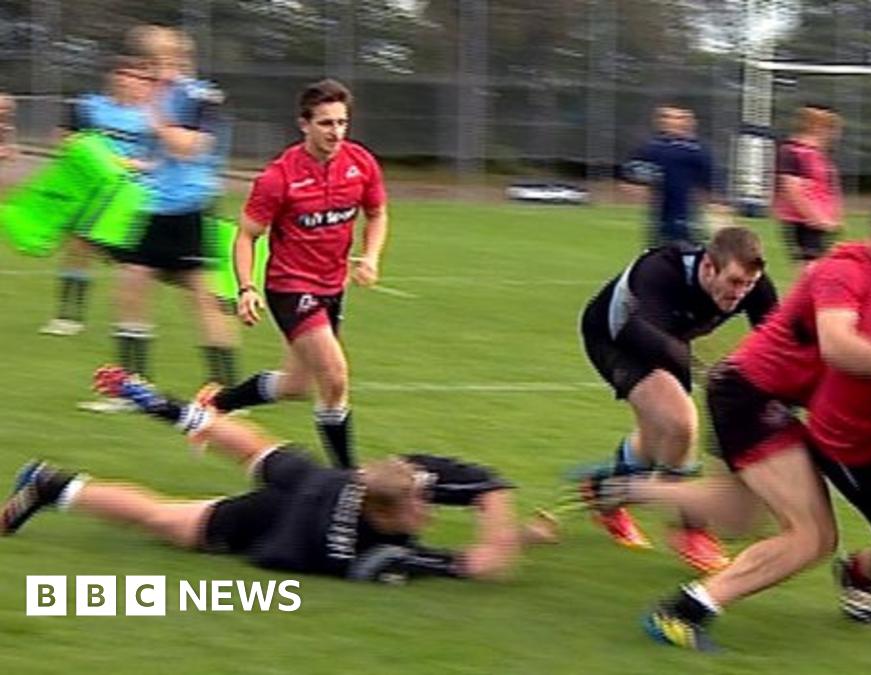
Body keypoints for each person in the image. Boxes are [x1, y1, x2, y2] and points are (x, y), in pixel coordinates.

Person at [631, 259, 871, 651]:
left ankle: (858, 574)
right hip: (850, 446)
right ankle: (681, 612)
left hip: (842, 413)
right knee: (809, 538)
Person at [2, 366, 557, 582]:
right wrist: (521, 538)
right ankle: (51, 485)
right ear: (385, 513)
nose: (427, 513)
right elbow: (476, 566)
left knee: (243, 440)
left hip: (313, 482)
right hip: (278, 524)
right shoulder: (380, 554)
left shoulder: (368, 484)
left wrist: (521, 533)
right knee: (163, 519)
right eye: (417, 507)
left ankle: (158, 403)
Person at [196, 78, 388, 470]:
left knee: (296, 385)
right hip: (290, 286)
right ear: (304, 124)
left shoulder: (361, 164)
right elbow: (246, 236)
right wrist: (247, 288)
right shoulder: (279, 177)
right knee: (334, 376)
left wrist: (370, 257)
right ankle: (347, 478)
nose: (336, 132)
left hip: (332, 285)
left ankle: (217, 403)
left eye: (342, 122)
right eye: (326, 123)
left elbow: (377, 213)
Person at [577, 225, 777, 572]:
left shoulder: (752, 286)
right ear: (708, 267)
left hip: (667, 338)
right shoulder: (660, 272)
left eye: (748, 284)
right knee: (680, 421)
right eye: (733, 282)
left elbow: (778, 339)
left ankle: (604, 490)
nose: (740, 294)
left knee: (656, 438)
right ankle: (689, 526)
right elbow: (645, 335)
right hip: (616, 337)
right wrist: (703, 370)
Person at [79, 26, 238, 412]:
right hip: (154, 206)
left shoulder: (200, 96)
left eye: (158, 62)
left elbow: (187, 147)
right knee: (130, 289)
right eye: (149, 64)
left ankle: (229, 395)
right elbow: (159, 156)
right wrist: (131, 163)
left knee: (204, 301)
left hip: (190, 208)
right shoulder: (158, 95)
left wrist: (154, 115)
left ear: (178, 61)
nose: (152, 71)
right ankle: (135, 392)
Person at [40, 55, 157, 337]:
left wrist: (134, 164)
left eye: (139, 78)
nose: (130, 82)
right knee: (77, 249)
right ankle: (68, 316)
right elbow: (64, 138)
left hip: (131, 194)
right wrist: (78, 147)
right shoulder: (90, 106)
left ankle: (131, 324)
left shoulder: (154, 118)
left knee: (136, 262)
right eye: (124, 75)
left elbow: (162, 161)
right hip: (93, 191)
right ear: (113, 77)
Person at [620, 104, 729, 247]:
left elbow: (712, 182)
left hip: (688, 215)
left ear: (690, 122)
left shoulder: (698, 150)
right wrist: (636, 185)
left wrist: (718, 205)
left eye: (679, 118)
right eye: (667, 117)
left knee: (687, 251)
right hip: (659, 216)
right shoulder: (651, 147)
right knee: (658, 252)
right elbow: (632, 175)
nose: (672, 121)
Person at [774, 105, 843, 269]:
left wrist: (832, 218)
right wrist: (816, 219)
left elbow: (825, 188)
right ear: (816, 127)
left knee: (822, 271)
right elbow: (792, 190)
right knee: (811, 272)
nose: (833, 135)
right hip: (803, 222)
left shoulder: (817, 154)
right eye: (829, 128)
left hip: (821, 223)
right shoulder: (792, 152)